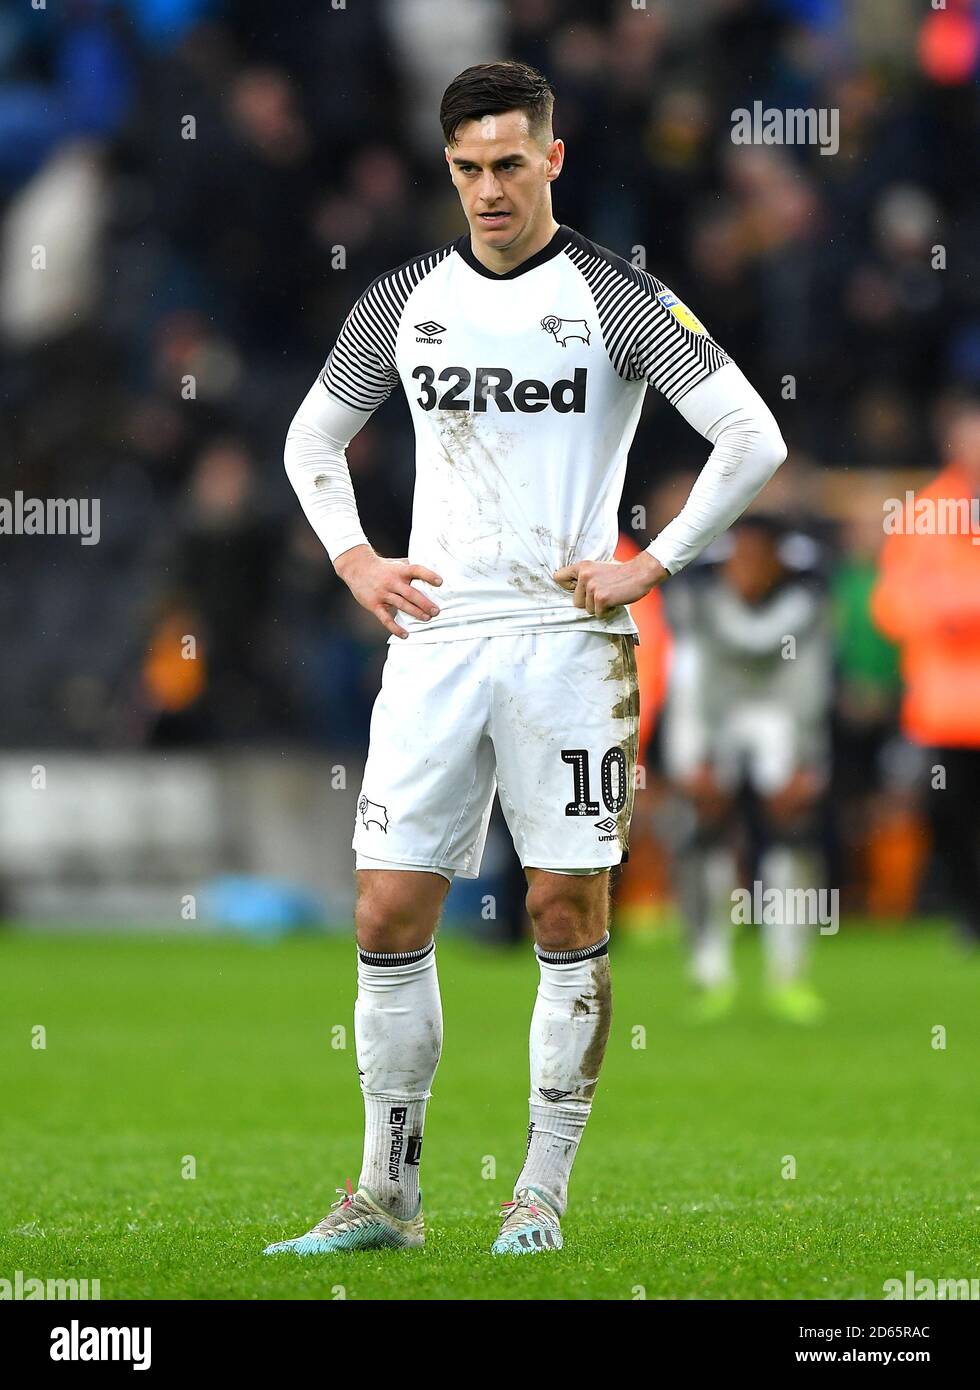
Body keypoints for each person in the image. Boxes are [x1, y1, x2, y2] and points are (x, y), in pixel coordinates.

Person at [264, 60, 785, 1259]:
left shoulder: (615, 297)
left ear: (552, 158)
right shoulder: (403, 297)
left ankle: (537, 1193)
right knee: (388, 905)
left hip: (565, 642)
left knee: (564, 905)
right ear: (445, 168)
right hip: (437, 638)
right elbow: (311, 439)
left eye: (507, 163)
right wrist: (354, 560)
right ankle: (386, 1194)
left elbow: (749, 436)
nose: (486, 189)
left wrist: (650, 564)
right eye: (464, 168)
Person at [662, 518, 831, 1023]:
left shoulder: (807, 601)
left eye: (760, 558)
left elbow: (811, 678)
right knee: (703, 833)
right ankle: (709, 969)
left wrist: (806, 758)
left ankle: (789, 972)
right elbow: (691, 676)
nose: (747, 571)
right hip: (715, 717)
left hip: (782, 718)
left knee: (793, 837)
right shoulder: (700, 599)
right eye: (741, 558)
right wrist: (695, 756)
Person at [871, 391, 980, 944]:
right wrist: (950, 611)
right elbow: (891, 602)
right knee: (950, 813)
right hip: (947, 707)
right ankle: (967, 913)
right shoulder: (924, 514)